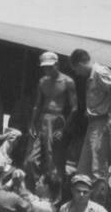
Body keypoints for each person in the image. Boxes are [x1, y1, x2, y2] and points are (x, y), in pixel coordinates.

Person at [70, 48, 111, 198]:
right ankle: (96, 199)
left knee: (97, 168)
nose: (77, 73)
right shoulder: (93, 76)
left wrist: (110, 116)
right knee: (85, 168)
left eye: (76, 70)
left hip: (102, 123)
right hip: (94, 124)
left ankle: (98, 204)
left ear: (80, 64)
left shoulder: (99, 72)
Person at [26, 52, 78, 202]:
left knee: (54, 162)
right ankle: (34, 193)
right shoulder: (42, 81)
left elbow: (74, 107)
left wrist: (63, 129)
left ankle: (53, 200)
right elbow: (37, 104)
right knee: (31, 160)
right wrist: (32, 123)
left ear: (56, 64)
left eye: (49, 67)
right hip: (42, 119)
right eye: (45, 67)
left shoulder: (67, 81)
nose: (47, 70)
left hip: (56, 120)